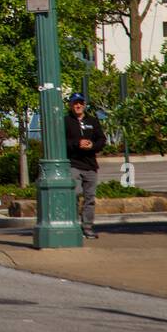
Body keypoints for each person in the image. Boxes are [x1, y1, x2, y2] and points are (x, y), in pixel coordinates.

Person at [65, 92, 106, 239]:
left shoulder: (93, 121)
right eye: (75, 103)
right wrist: (77, 144)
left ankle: (87, 227)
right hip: (74, 164)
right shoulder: (66, 121)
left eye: (81, 103)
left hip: (90, 165)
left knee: (90, 198)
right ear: (70, 105)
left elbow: (102, 140)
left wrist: (92, 145)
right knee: (74, 195)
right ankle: (74, 226)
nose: (78, 105)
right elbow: (63, 143)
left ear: (84, 105)